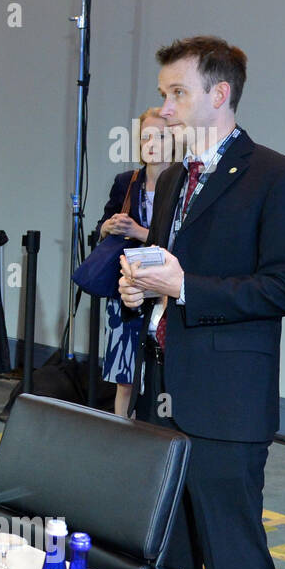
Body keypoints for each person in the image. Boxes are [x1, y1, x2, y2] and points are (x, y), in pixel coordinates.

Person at [118, 36, 285, 569]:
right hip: (166, 390)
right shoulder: (177, 177)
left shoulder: (279, 178)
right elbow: (176, 273)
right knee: (169, 555)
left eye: (179, 93)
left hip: (227, 402)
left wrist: (185, 288)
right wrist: (142, 294)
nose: (168, 108)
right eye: (164, 95)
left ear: (220, 94)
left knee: (233, 556)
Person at [98, 107, 178, 417]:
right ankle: (120, 436)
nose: (152, 143)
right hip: (128, 289)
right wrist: (110, 226)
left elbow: (178, 240)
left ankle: (158, 439)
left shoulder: (182, 182)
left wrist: (139, 232)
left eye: (160, 135)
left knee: (160, 376)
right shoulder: (126, 181)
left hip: (164, 291)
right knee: (125, 377)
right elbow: (102, 226)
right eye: (145, 136)